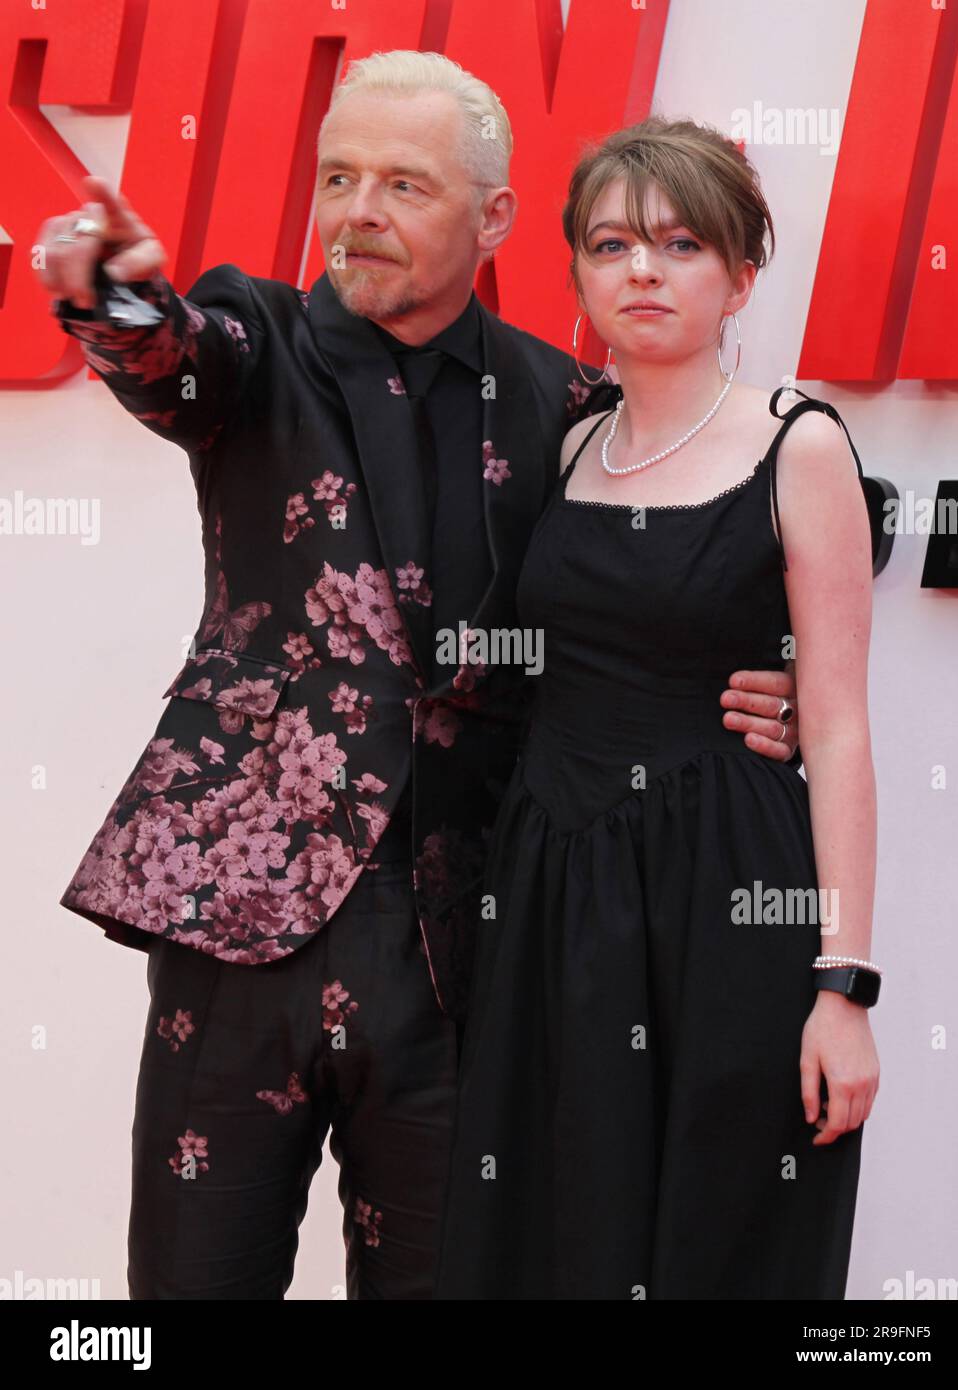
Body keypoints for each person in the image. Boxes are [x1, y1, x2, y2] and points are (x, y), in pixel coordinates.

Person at [38, 54, 803, 1299]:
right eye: (338, 177)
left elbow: (726, 490)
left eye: (404, 182)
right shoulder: (259, 339)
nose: (359, 209)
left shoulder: (561, 399)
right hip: (242, 916)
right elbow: (172, 357)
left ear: (494, 219)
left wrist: (777, 657)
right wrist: (114, 302)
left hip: (471, 942)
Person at [434, 116, 880, 1301]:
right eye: (613, 242)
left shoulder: (801, 446)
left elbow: (835, 728)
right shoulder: (571, 440)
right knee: (554, 1227)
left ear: (739, 274)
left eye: (681, 243)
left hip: (725, 886)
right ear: (575, 269)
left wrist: (845, 986)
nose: (642, 268)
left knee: (717, 1229)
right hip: (555, 889)